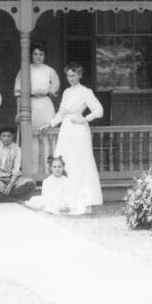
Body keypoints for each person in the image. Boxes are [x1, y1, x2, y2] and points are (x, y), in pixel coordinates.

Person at [42, 62, 104, 211]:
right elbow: (62, 113)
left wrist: (85, 118)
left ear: (80, 75)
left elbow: (99, 110)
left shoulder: (85, 91)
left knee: (80, 161)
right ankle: (66, 197)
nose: (70, 78)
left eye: (73, 75)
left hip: (79, 129)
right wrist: (50, 124)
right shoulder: (67, 92)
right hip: (66, 129)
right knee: (66, 159)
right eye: (68, 75)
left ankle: (85, 197)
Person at [14, 44, 60, 175]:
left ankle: (48, 170)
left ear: (45, 56)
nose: (38, 57)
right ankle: (31, 170)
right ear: (31, 55)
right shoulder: (24, 70)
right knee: (30, 135)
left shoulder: (50, 71)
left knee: (47, 134)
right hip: (30, 104)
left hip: (45, 104)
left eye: (41, 54)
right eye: (35, 54)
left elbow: (54, 89)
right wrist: (19, 111)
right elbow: (18, 93)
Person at [0, 126, 34, 202]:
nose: (6, 138)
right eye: (4, 136)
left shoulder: (16, 149)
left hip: (12, 179)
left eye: (9, 136)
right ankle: (13, 199)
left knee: (31, 183)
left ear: (13, 136)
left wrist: (9, 186)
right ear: (0, 136)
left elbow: (16, 169)